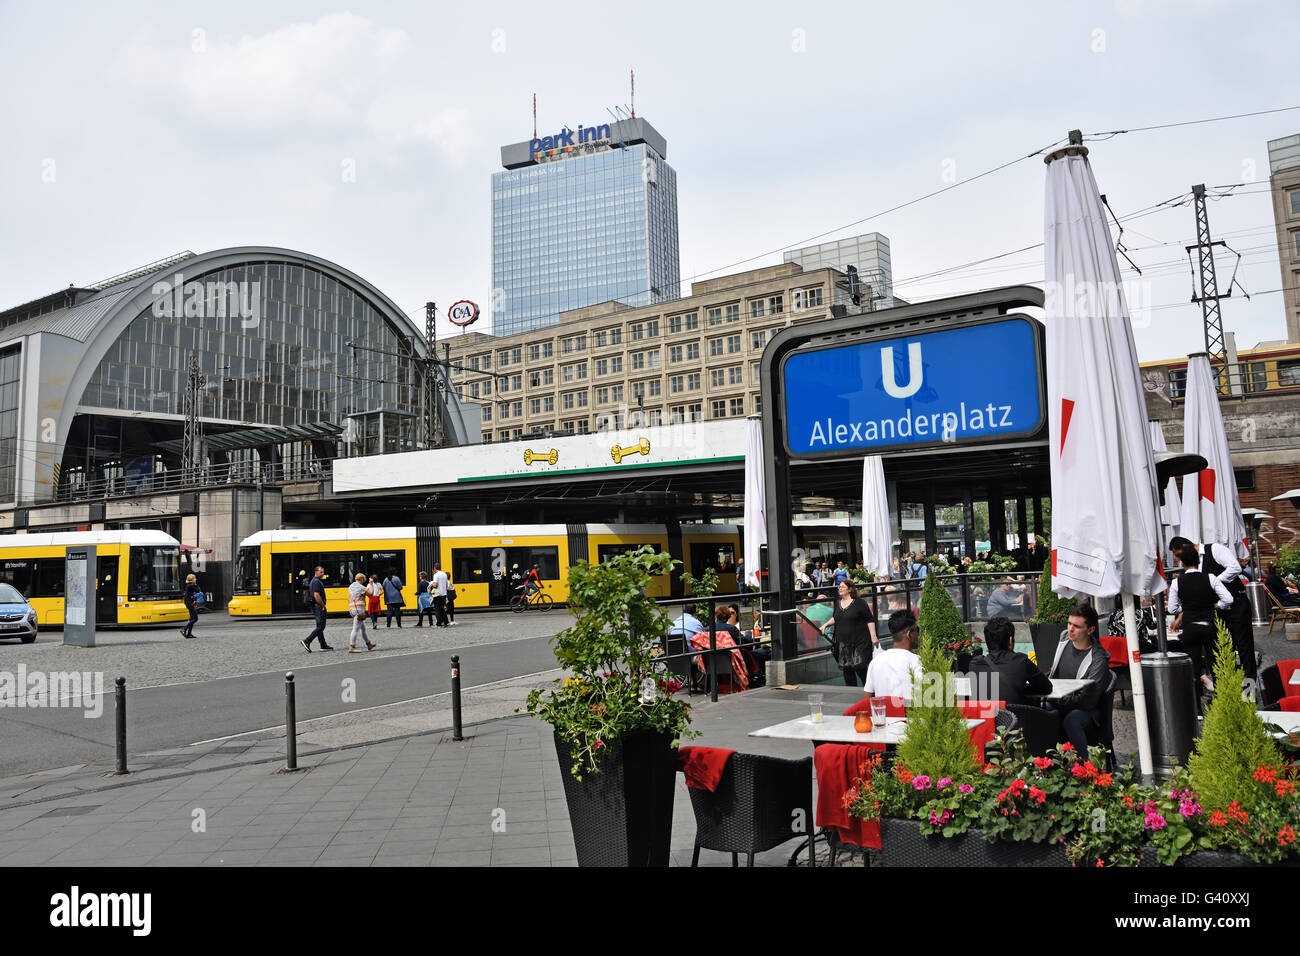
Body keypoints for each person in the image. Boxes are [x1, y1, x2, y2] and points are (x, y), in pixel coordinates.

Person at [1169, 535, 1254, 680]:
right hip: (1215, 610)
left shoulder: (1214, 549)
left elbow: (1235, 567)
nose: (1179, 559)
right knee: (1220, 651)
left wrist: (1213, 582)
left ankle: (1249, 693)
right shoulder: (1193, 566)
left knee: (1244, 648)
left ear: (1184, 547)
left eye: (1178, 555)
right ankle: (1226, 690)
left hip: (1237, 606)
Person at [1167, 544, 1233, 704]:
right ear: (1198, 561)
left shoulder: (1177, 582)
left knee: (1194, 667)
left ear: (1181, 563)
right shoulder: (1210, 577)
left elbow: (1171, 608)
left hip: (1190, 626)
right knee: (1216, 664)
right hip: (1210, 624)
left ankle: (1196, 707)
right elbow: (1228, 599)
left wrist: (1188, 606)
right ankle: (1221, 700)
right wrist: (1216, 605)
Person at [1045, 604, 1111, 754]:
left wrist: (1056, 699)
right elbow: (1054, 672)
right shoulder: (1064, 638)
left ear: (1091, 630)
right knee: (1039, 712)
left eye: (1077, 626)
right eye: (1069, 623)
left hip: (1087, 709)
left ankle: (1085, 766)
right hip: (1061, 700)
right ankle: (1047, 762)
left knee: (1071, 720)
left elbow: (1088, 701)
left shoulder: (1098, 659)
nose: (1070, 629)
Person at [968, 616, 1051, 707]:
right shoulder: (1021, 661)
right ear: (1010, 640)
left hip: (985, 719)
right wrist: (1022, 687)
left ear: (987, 641)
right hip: (1019, 719)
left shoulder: (975, 664)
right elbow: (1046, 688)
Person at [819, 579, 877, 686]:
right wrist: (825, 625)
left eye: (842, 587)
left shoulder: (860, 603)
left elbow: (870, 619)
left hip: (860, 641)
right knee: (847, 670)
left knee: (860, 666)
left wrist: (873, 636)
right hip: (843, 643)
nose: (840, 588)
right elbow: (836, 618)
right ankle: (852, 692)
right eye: (839, 587)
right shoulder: (837, 603)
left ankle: (869, 690)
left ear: (850, 589)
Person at [863, 609, 924, 699]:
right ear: (909, 634)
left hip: (884, 712)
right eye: (917, 630)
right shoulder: (917, 661)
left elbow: (866, 700)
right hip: (909, 712)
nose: (918, 634)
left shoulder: (876, 661)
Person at [301, 566, 333, 652]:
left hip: (316, 606)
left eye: (323, 572)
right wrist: (323, 605)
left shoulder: (316, 581)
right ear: (316, 572)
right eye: (321, 572)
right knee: (321, 626)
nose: (323, 574)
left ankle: (323, 645)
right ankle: (307, 641)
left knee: (319, 626)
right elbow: (316, 595)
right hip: (318, 606)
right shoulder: (316, 581)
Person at [347, 572, 376, 653]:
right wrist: (371, 584)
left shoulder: (351, 586)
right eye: (363, 580)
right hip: (359, 610)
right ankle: (352, 646)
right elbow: (371, 594)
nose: (364, 581)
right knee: (355, 629)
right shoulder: (361, 587)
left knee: (363, 628)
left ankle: (369, 644)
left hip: (352, 609)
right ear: (361, 579)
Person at [180, 573, 200, 639]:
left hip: (191, 602)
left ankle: (189, 634)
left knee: (192, 618)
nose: (196, 579)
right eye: (194, 578)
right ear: (191, 580)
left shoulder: (190, 585)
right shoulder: (190, 586)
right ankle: (184, 629)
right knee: (195, 618)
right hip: (189, 603)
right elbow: (198, 590)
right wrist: (196, 585)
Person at [432, 563, 451, 628]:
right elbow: (446, 585)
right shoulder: (444, 574)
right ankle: (446, 622)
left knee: (437, 609)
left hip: (438, 594)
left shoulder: (436, 575)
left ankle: (438, 624)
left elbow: (435, 585)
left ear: (435, 568)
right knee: (442, 608)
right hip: (444, 594)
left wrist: (431, 584)